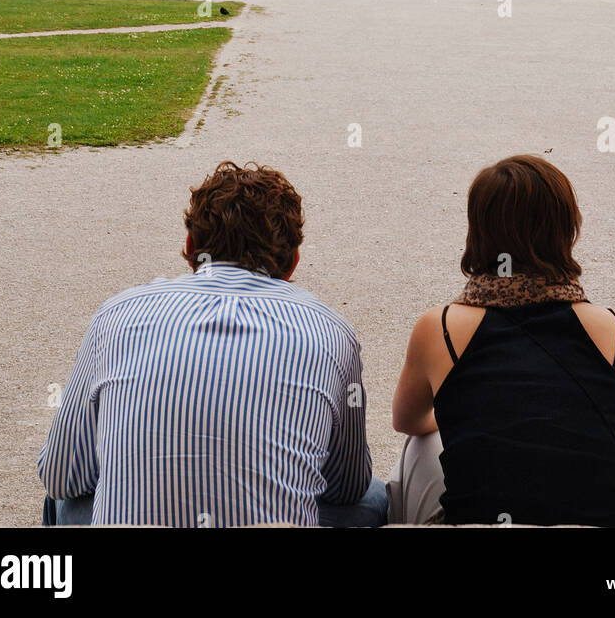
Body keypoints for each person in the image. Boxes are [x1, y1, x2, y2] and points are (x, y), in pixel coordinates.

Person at [39, 162, 387, 528]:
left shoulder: (116, 315)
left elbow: (62, 476)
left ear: (190, 247)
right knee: (375, 498)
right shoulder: (332, 332)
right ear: (292, 264)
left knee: (62, 502)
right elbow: (347, 485)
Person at [388, 156, 615, 527]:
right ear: (567, 229)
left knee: (423, 444)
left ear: (478, 231)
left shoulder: (442, 326)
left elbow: (407, 420)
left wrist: (473, 413)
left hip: (481, 521)